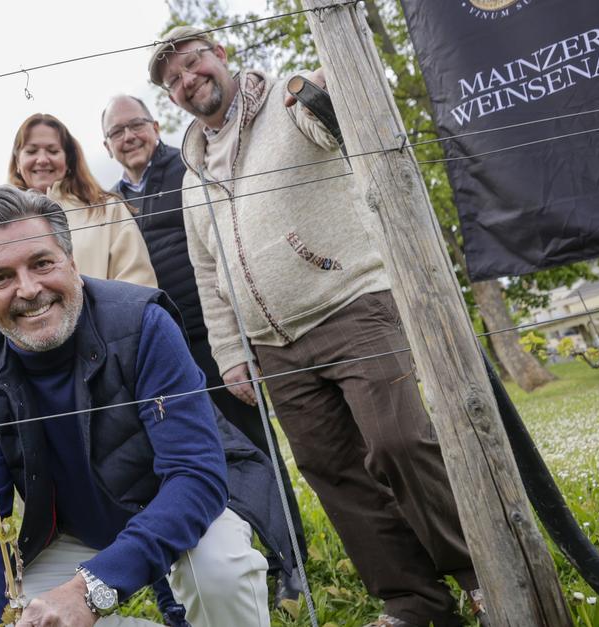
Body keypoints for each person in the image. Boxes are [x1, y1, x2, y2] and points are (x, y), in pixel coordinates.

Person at [150, 26, 483, 627]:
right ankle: (413, 603)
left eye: (192, 63)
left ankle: (478, 574)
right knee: (334, 474)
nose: (186, 81)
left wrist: (329, 88)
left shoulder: (286, 101)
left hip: (351, 302)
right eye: (172, 80)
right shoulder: (190, 173)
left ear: (221, 55)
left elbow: (338, 125)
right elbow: (208, 270)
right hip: (273, 345)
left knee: (399, 441)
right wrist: (230, 352)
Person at [0, 186, 294, 627]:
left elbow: (195, 476)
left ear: (72, 263)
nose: (29, 289)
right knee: (30, 621)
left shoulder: (143, 323)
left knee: (219, 573)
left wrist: (91, 588)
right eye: (1, 278)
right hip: (80, 533)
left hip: (193, 502)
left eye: (42, 263)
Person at [101, 94, 307, 602]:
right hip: (153, 353)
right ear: (107, 144)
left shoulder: (190, 168)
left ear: (154, 126)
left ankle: (290, 562)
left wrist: (234, 337)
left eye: (136, 126)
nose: (129, 138)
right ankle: (210, 565)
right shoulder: (108, 203)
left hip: (210, 338)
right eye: (117, 133)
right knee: (185, 461)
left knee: (254, 450)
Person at [0, 113, 156, 344]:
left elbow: (136, 281)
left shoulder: (106, 209)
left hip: (110, 346)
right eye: (32, 150)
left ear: (69, 160)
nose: (42, 159)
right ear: (17, 160)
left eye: (53, 151)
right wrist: (20, 346)